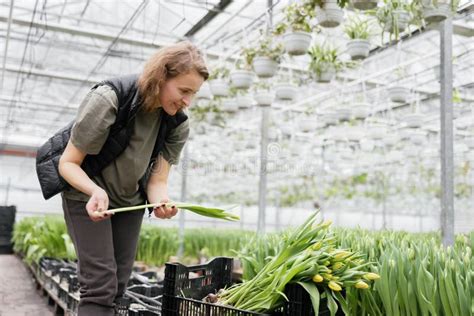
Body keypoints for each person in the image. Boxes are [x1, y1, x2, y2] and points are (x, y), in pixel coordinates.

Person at [57, 41, 208, 315]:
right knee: (99, 286)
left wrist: (162, 203)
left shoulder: (177, 123)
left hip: (129, 203)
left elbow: (157, 181)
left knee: (117, 287)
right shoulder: (110, 99)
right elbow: (67, 164)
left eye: (193, 94)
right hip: (86, 196)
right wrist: (95, 191)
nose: (188, 101)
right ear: (161, 77)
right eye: (184, 90)